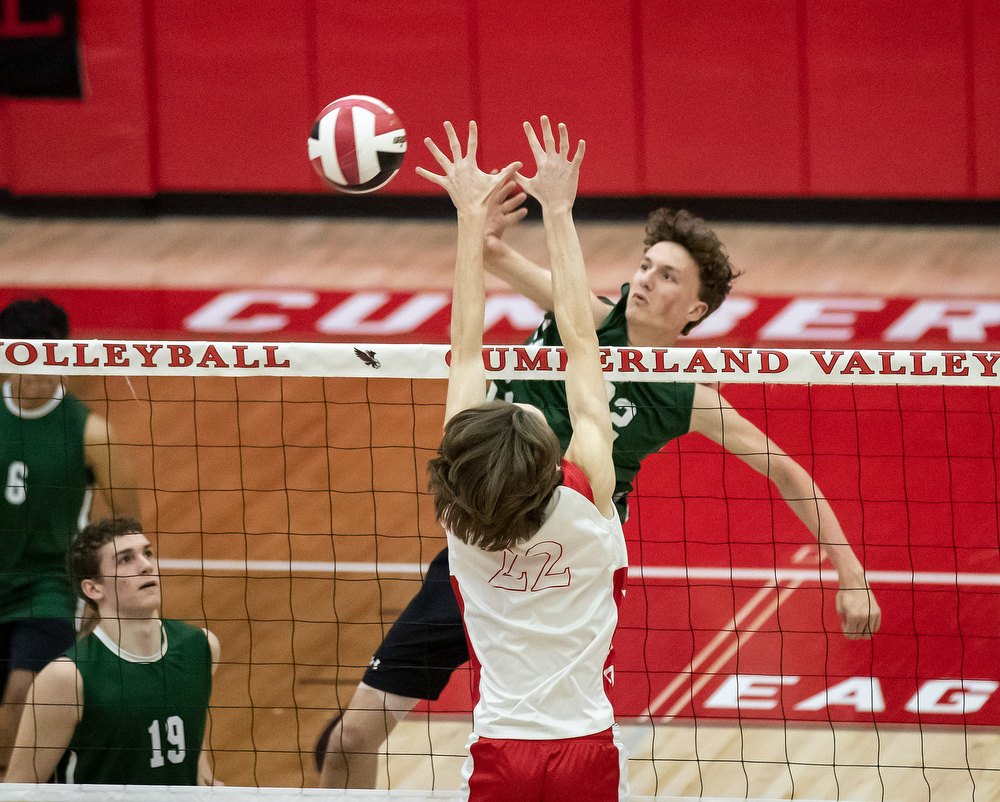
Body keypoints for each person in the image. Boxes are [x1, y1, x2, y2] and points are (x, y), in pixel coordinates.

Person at [318, 146, 883, 790]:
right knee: (351, 741)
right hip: (481, 541)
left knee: (552, 739)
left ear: (696, 311)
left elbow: (785, 471)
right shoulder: (585, 312)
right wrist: (487, 228)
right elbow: (488, 258)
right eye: (645, 265)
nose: (644, 279)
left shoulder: (685, 394)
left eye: (668, 276)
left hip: (565, 562)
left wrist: (851, 574)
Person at [429, 116, 626, 799]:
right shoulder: (587, 488)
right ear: (546, 456)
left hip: (499, 749)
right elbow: (580, 342)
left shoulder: (461, 515)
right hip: (587, 748)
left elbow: (465, 351)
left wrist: (468, 221)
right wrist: (560, 212)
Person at [0, 298, 141, 775]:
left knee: (24, 695)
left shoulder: (91, 432)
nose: (39, 372)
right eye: (26, 358)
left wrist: (108, 603)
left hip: (49, 585)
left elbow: (125, 523)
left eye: (49, 357)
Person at [4, 517, 220, 785]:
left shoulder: (201, 647)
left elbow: (186, 723)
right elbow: (20, 788)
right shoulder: (66, 678)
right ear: (93, 588)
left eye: (147, 552)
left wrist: (201, 770)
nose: (146, 565)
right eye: (125, 560)